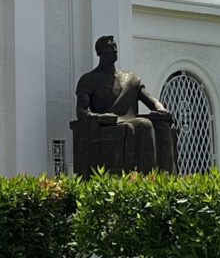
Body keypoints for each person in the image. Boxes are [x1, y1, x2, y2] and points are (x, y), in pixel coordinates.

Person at [73, 35, 177, 173]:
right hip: (108, 123)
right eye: (109, 47)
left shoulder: (130, 78)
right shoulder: (88, 79)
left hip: (129, 119)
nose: (114, 50)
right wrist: (98, 117)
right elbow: (81, 111)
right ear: (99, 52)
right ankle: (145, 177)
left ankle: (166, 177)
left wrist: (161, 109)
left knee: (163, 126)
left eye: (115, 47)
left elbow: (150, 100)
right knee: (144, 124)